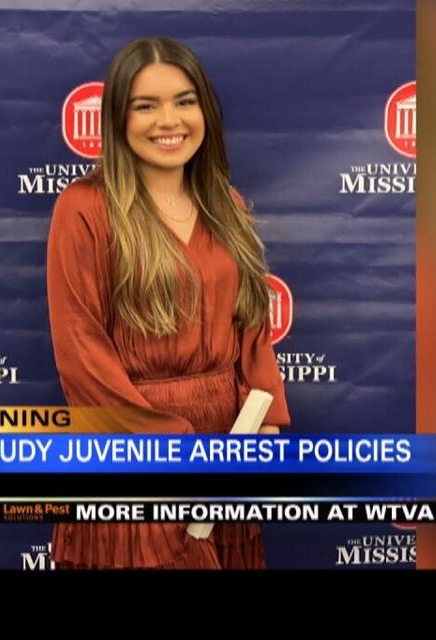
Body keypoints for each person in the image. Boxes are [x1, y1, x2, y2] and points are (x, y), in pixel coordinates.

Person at [45, 37, 289, 569]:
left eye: (184, 101)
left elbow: (251, 323)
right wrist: (171, 449)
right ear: (118, 118)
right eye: (146, 105)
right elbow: (82, 353)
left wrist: (264, 419)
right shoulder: (84, 209)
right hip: (132, 450)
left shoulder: (226, 204)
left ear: (205, 111)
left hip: (227, 448)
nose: (169, 120)